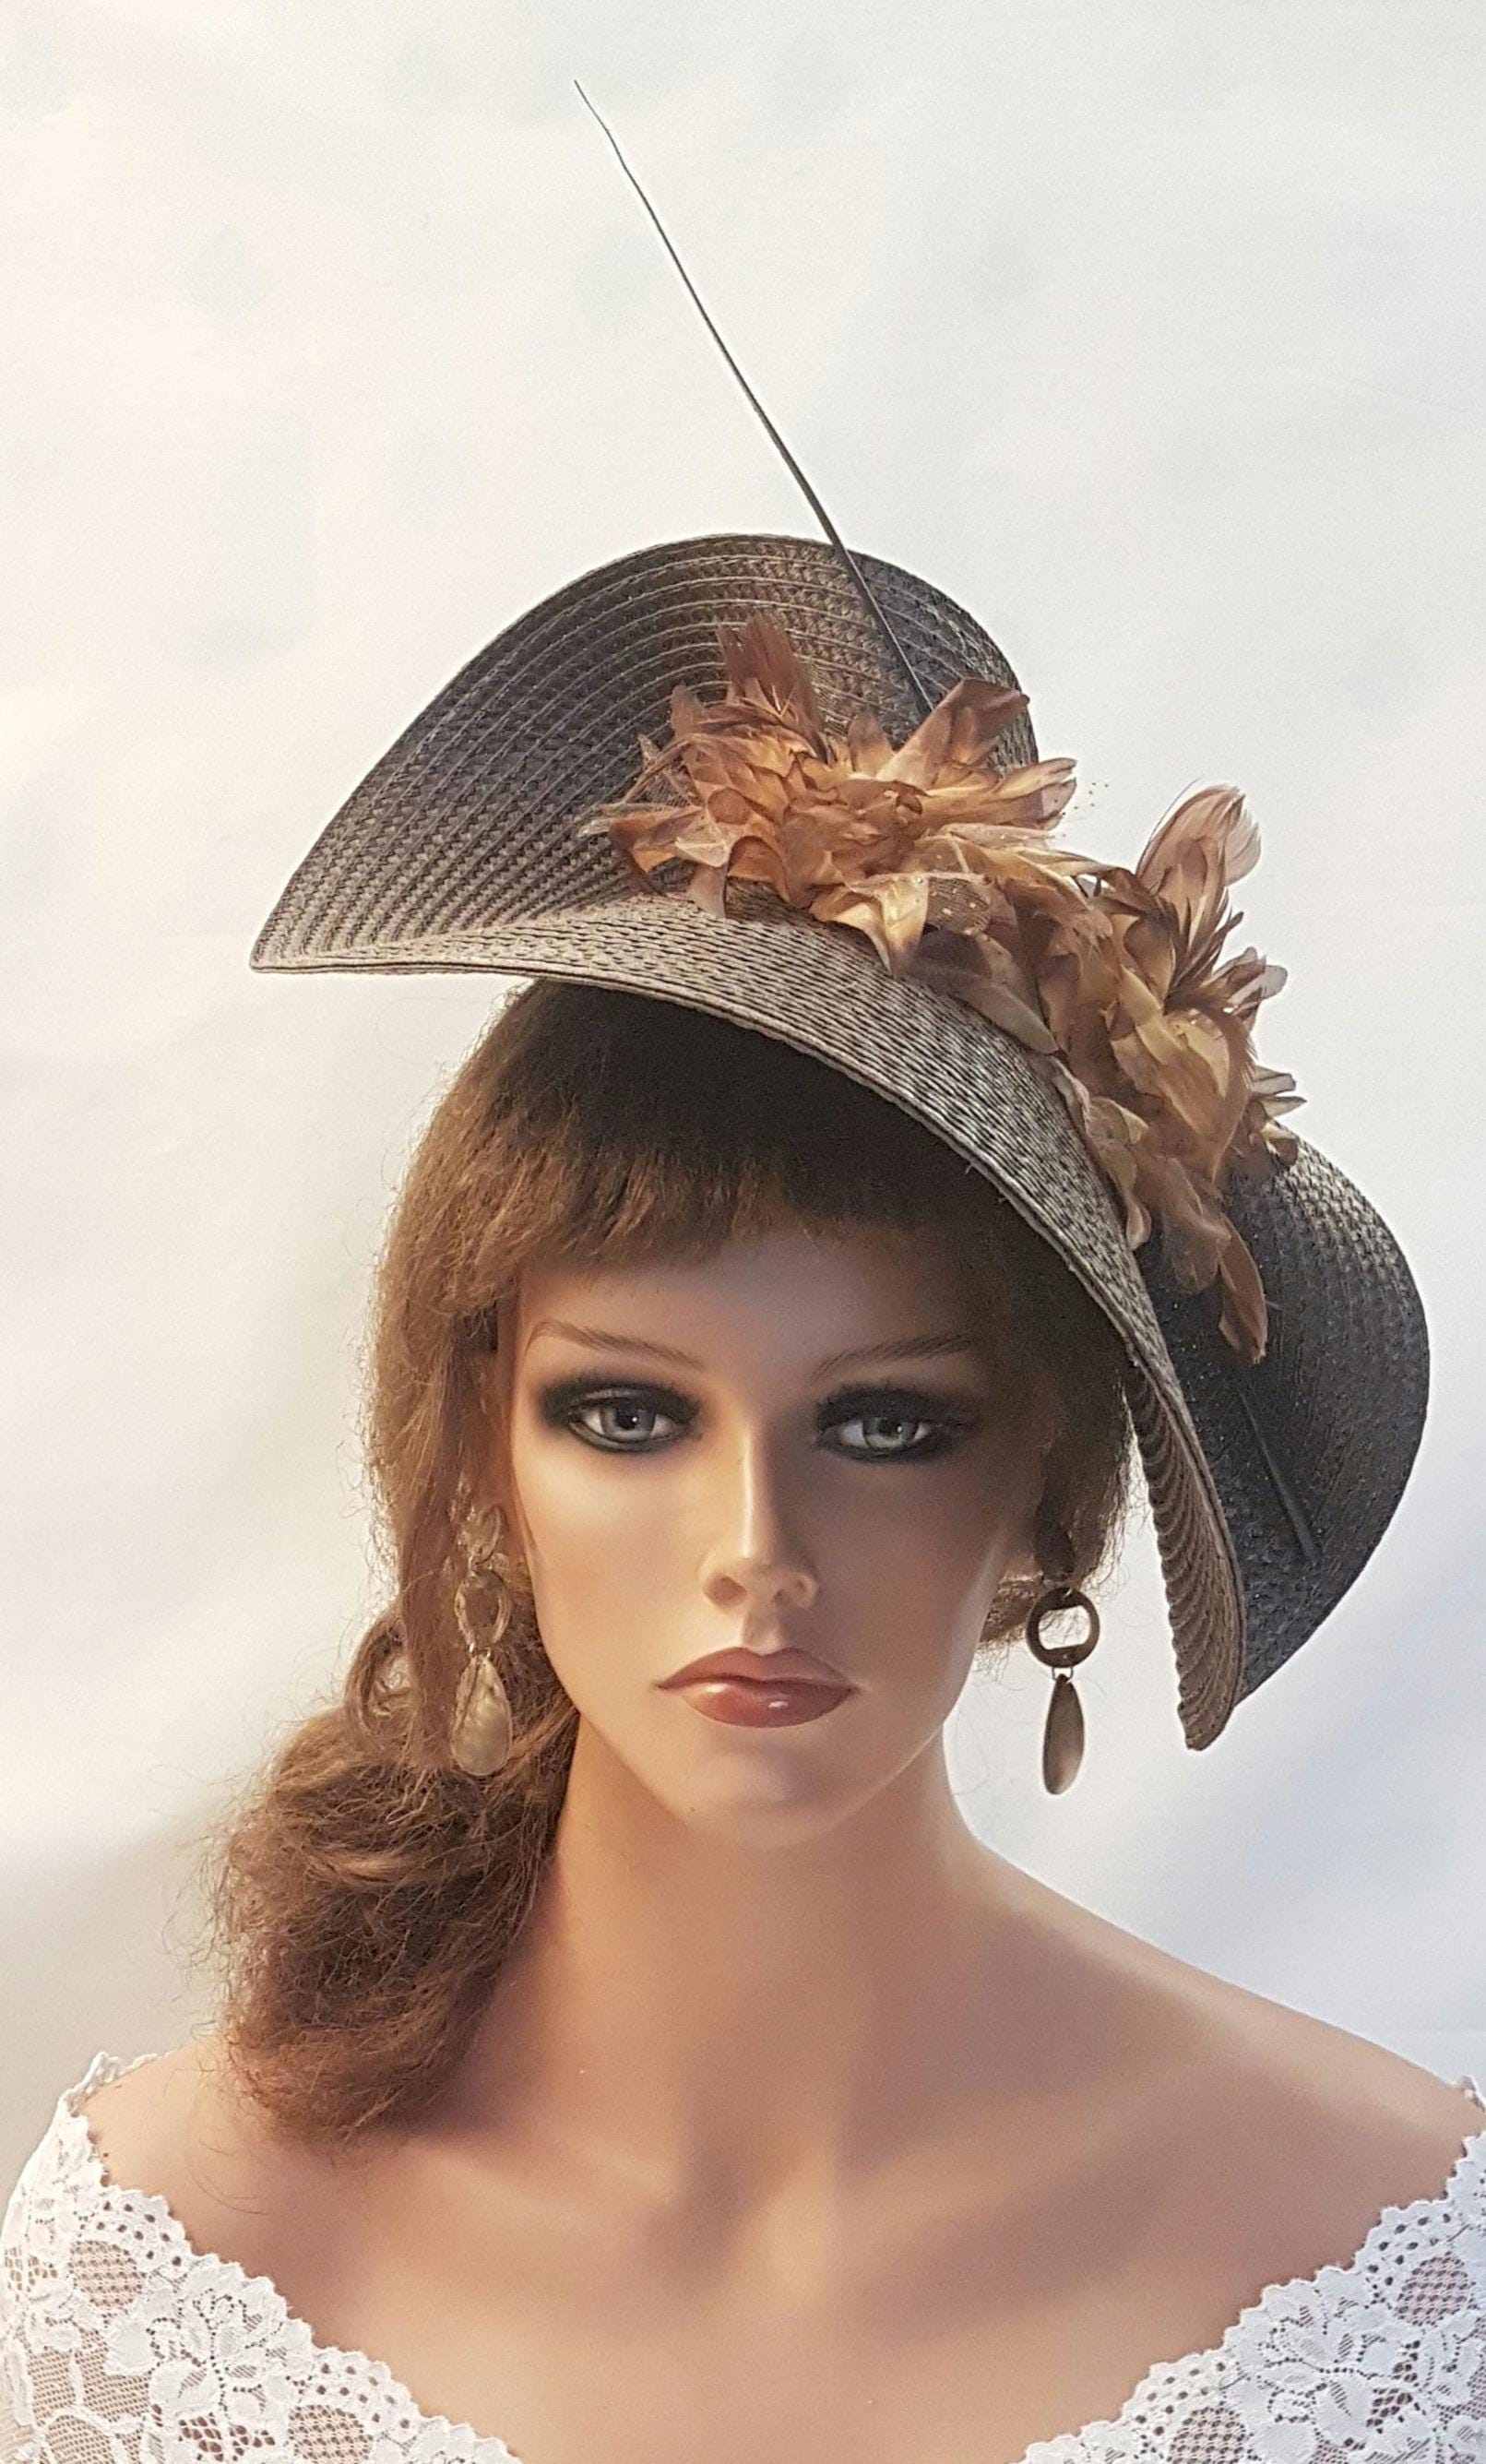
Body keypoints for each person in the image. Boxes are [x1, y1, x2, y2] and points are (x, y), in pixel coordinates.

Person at [4, 533, 1482, 2463]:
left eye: (886, 1427)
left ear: (1047, 1490)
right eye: (627, 1415)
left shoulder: (1382, 2273)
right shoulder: (168, 2279)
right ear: (482, 1455)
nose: (753, 1554)